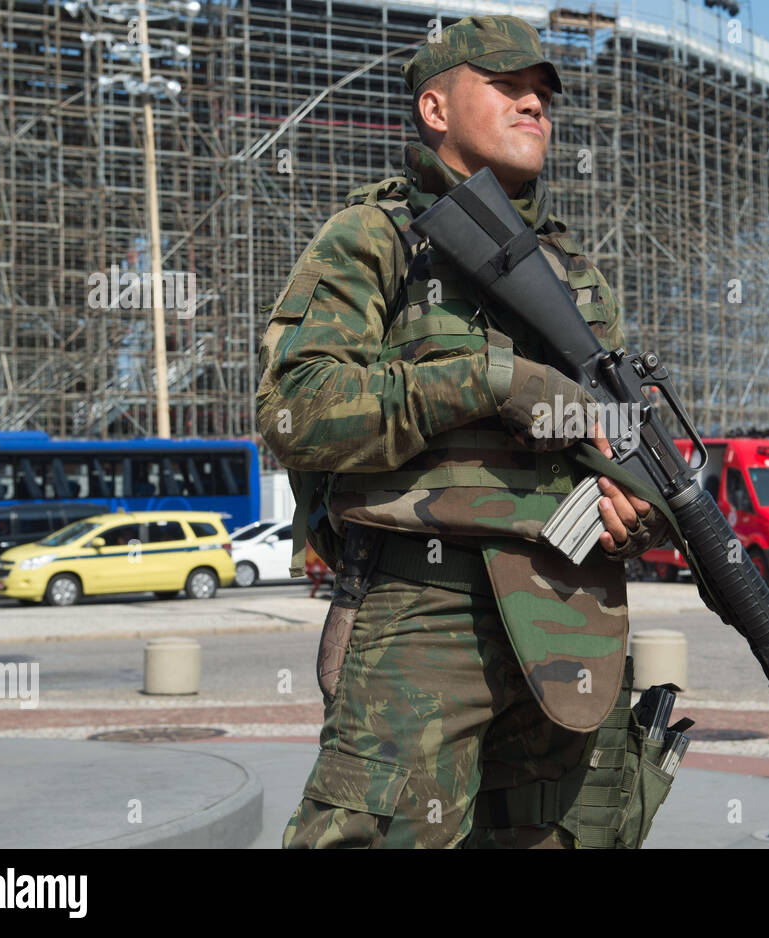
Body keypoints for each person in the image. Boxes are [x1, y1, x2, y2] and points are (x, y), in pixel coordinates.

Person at [256, 14, 670, 848]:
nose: (534, 106)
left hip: (568, 607)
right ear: (435, 109)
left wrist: (634, 509)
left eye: (543, 95)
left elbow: (625, 444)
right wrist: (485, 380)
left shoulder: (577, 275)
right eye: (508, 87)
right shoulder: (374, 238)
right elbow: (295, 409)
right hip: (425, 608)